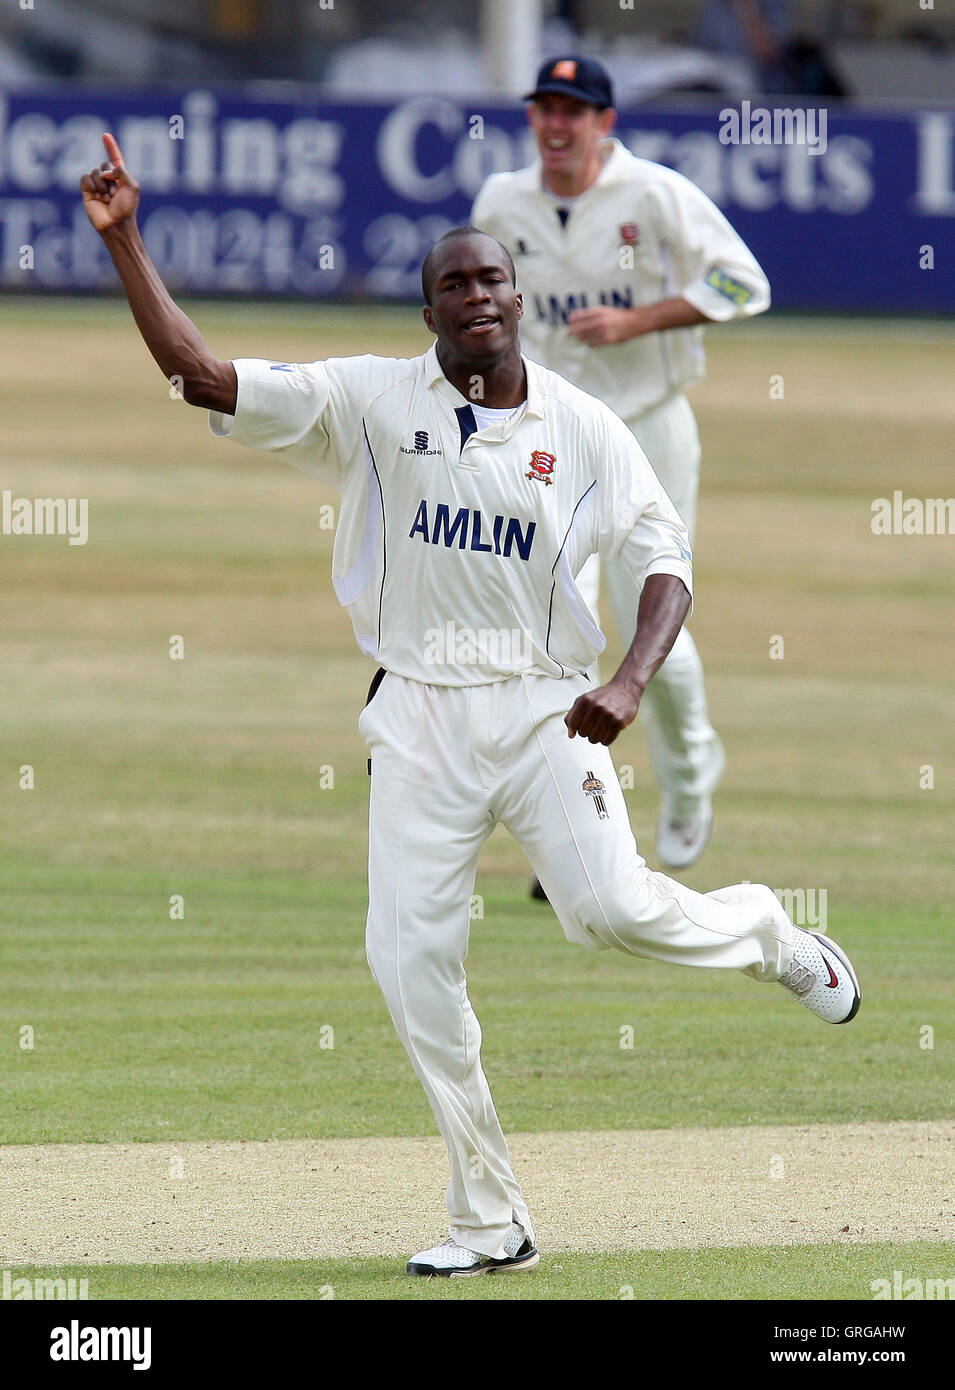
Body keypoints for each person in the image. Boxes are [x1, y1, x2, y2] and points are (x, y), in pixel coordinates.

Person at [81, 135, 860, 1280]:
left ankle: (763, 931)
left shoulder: (585, 426)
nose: (478, 296)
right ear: (432, 310)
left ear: (517, 296)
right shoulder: (369, 398)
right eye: (455, 284)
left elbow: (667, 562)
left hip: (553, 710)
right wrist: (125, 242)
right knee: (406, 965)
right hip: (417, 717)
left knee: (609, 915)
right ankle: (491, 1217)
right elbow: (201, 374)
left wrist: (628, 681)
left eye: (492, 279)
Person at [473, 55, 771, 876]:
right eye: (545, 110)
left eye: (575, 111)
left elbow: (742, 284)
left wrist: (642, 321)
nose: (557, 126)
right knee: (539, 628)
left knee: (653, 628)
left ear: (604, 122)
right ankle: (566, 824)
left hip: (647, 428)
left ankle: (687, 785)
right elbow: (484, 305)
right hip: (547, 433)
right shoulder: (503, 200)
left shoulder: (654, 194)